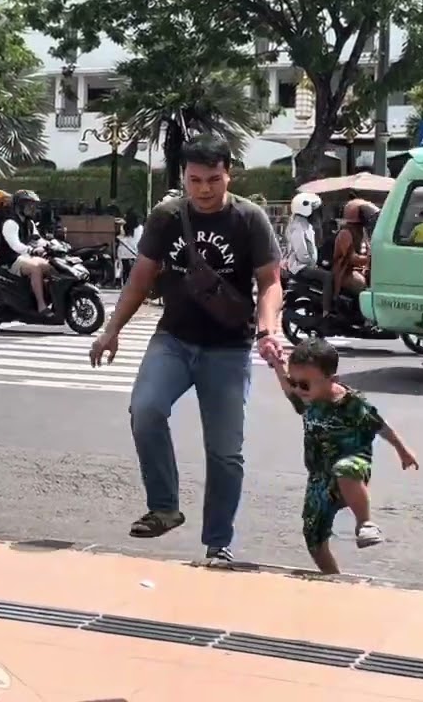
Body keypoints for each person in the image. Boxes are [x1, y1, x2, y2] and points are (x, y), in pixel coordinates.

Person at [88, 134, 285, 566]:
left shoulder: (249, 218)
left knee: (225, 451)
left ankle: (218, 542)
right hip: (173, 338)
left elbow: (270, 281)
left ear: (228, 174)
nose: (205, 189)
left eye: (214, 179)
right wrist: (110, 329)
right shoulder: (167, 216)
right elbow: (140, 278)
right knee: (146, 409)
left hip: (228, 348)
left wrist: (270, 330)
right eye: (195, 180)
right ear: (183, 177)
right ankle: (164, 507)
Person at [263, 338, 418, 575]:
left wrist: (402, 450)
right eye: (296, 381)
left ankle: (365, 523)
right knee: (313, 535)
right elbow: (287, 386)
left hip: (354, 464)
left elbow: (379, 425)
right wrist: (276, 363)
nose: (297, 389)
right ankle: (333, 578)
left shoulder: (350, 402)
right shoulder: (307, 398)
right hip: (320, 477)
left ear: (331, 380)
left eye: (304, 385)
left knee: (344, 469)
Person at [0, 189, 53, 315]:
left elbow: (38, 239)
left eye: (34, 205)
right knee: (35, 268)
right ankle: (41, 306)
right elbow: (15, 244)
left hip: (24, 258)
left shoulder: (29, 223)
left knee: (51, 265)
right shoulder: (10, 222)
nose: (33, 208)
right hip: (11, 261)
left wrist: (52, 246)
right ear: (20, 205)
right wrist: (31, 250)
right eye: (29, 205)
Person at [282, 192, 334, 312]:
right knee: (327, 277)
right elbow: (302, 253)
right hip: (300, 267)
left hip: (305, 265)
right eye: (314, 209)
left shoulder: (304, 224)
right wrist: (311, 263)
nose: (316, 213)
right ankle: (326, 311)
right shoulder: (298, 227)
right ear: (305, 209)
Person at [330, 198, 377, 308]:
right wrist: (370, 259)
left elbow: (369, 249)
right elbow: (352, 258)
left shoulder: (362, 231)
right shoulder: (346, 233)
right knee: (362, 287)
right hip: (346, 271)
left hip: (362, 269)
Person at [116, 213, 142, 286]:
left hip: (124, 252)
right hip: (135, 252)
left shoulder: (124, 227)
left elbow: (121, 238)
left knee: (125, 271)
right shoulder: (141, 228)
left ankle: (125, 285)